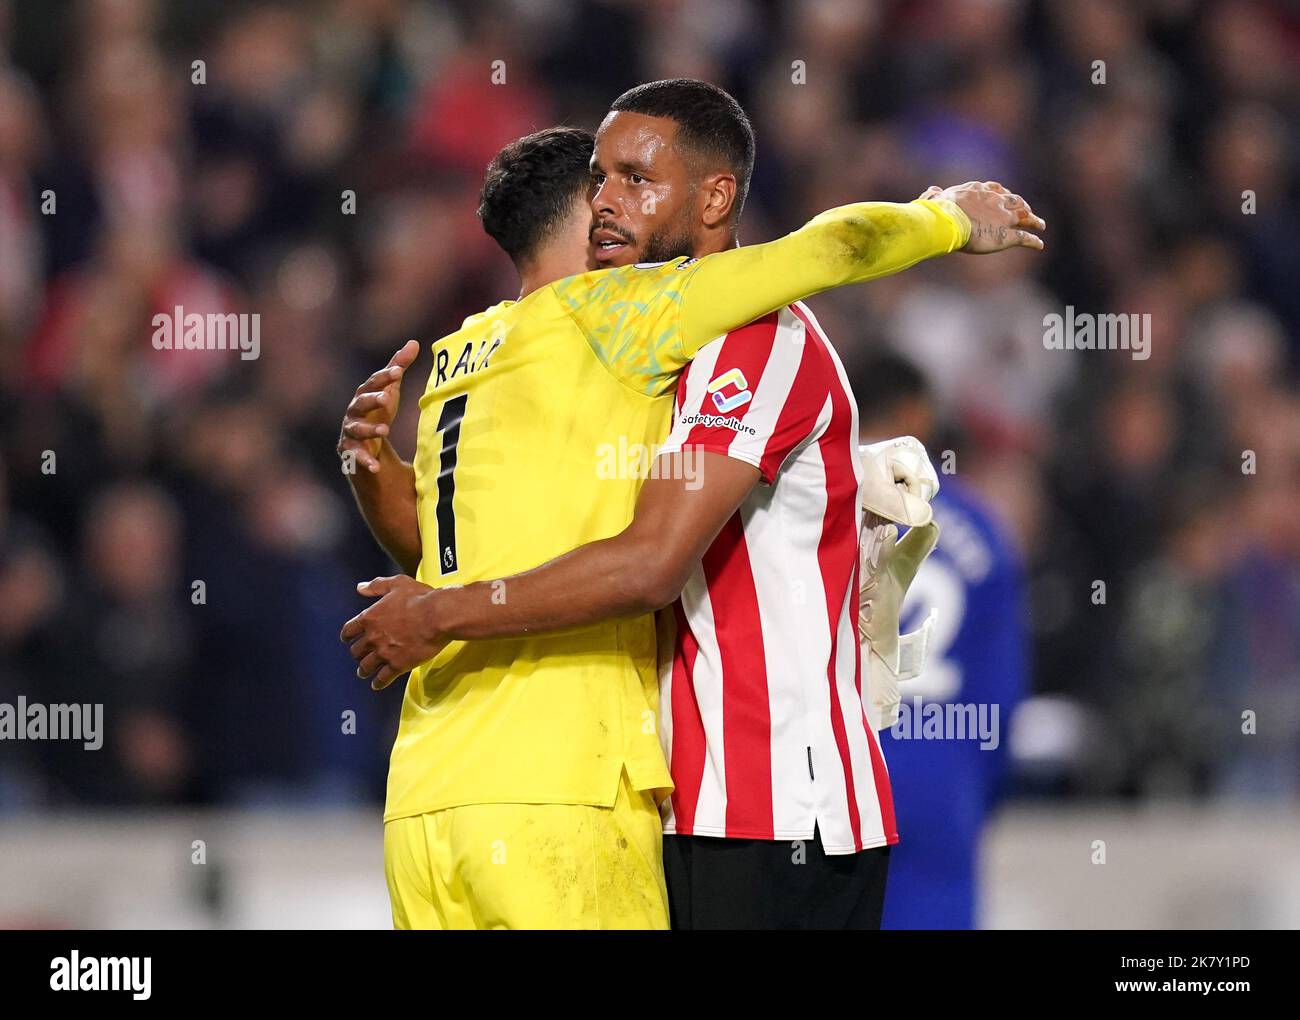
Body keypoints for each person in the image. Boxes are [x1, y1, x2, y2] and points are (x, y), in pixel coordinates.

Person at [342, 80, 1044, 928]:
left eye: (635, 180)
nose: (607, 202)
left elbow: (647, 562)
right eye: (597, 180)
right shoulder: (620, 345)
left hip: (771, 803)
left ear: (715, 197)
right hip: (656, 794)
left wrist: (948, 216)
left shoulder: (736, 337)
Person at [856, 353, 1029, 930]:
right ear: (917, 415)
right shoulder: (980, 526)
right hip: (941, 773)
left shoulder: (824, 512)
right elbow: (1002, 691)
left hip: (845, 774)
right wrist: (976, 792)